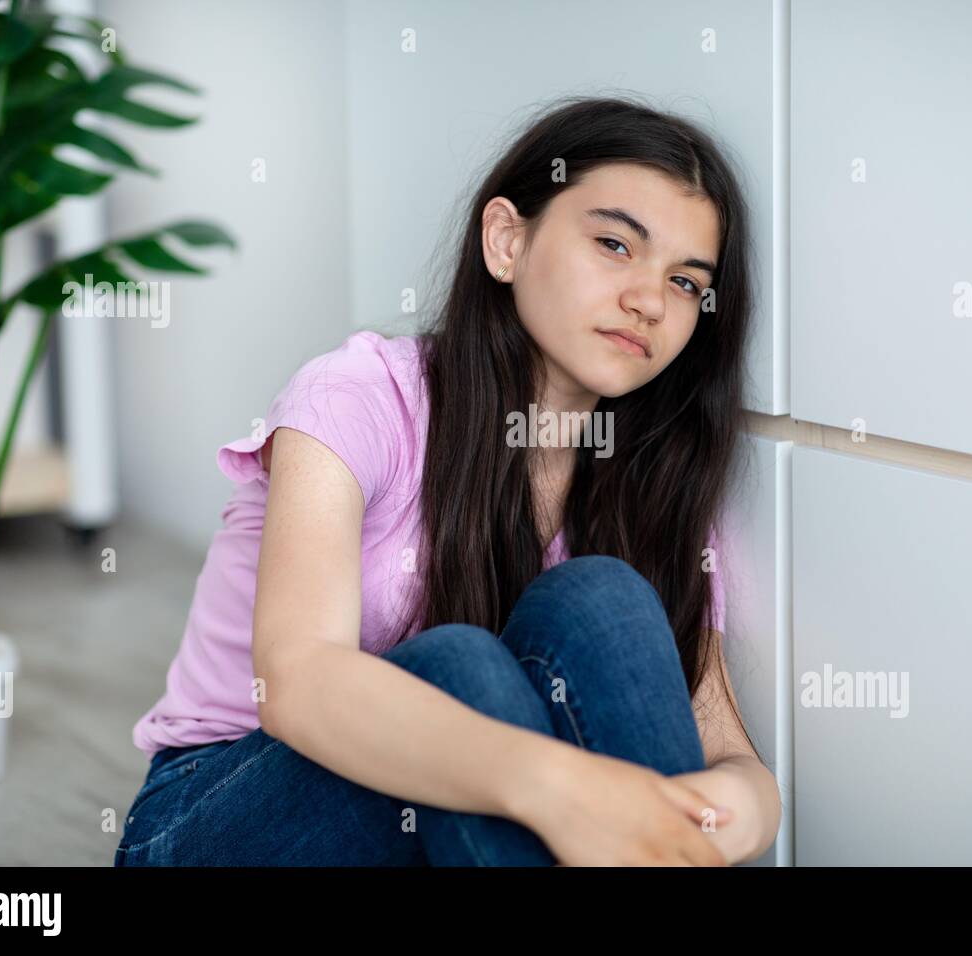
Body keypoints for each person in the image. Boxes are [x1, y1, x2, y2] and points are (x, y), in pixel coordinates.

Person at [116, 95, 781, 866]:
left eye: (687, 283)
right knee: (459, 671)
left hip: (454, 844)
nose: (649, 302)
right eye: (614, 244)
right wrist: (559, 788)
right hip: (222, 816)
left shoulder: (654, 479)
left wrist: (730, 806)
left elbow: (725, 745)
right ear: (506, 240)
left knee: (603, 598)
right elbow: (296, 681)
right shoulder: (355, 398)